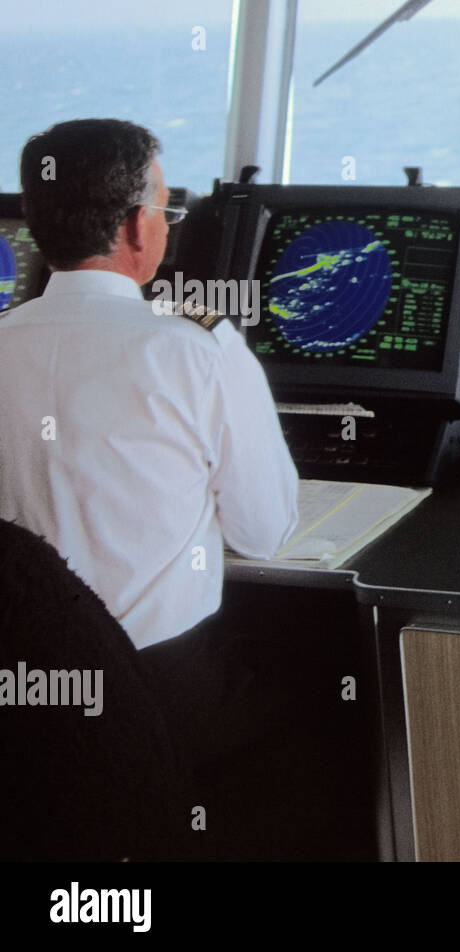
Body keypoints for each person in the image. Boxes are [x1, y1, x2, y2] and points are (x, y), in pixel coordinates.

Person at [0, 119, 299, 758]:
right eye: (164, 209)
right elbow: (263, 534)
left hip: (23, 704)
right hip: (162, 695)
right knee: (318, 698)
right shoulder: (198, 348)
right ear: (138, 225)